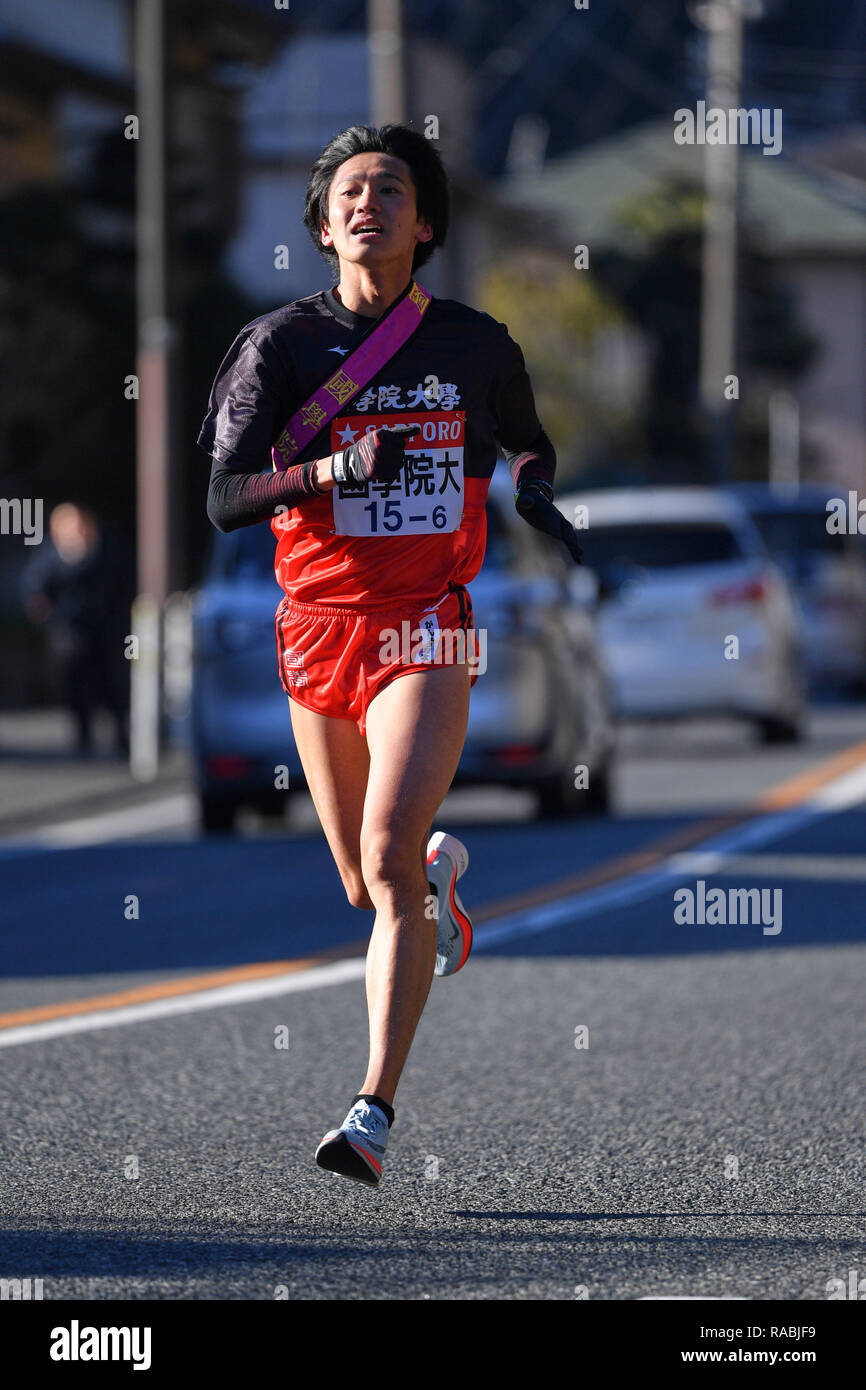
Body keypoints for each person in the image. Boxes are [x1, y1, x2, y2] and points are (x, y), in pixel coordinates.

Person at [198, 124, 582, 1186]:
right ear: (323, 226)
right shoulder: (273, 349)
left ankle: (370, 1110)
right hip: (315, 626)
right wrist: (328, 471)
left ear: (426, 224)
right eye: (350, 193)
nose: (369, 204)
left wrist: (536, 488)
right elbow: (226, 499)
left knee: (382, 851)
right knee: (369, 888)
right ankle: (435, 885)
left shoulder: (473, 345)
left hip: (430, 620)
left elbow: (524, 435)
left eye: (392, 190)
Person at [20, 503, 131, 756]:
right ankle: (83, 734)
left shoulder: (106, 549)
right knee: (74, 684)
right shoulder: (50, 554)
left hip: (105, 627)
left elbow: (122, 582)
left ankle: (121, 733)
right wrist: (40, 605)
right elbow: (34, 585)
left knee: (111, 681)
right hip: (69, 629)